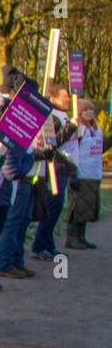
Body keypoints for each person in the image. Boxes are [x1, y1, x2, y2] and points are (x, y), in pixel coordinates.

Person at [0, 66, 47, 279]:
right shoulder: (10, 111)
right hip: (17, 176)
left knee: (23, 221)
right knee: (14, 221)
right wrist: (32, 155)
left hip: (29, 174)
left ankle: (16, 260)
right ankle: (5, 262)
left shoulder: (28, 114)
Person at [30, 84, 78, 261]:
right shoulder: (51, 116)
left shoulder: (64, 115)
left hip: (66, 168)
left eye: (68, 96)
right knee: (52, 208)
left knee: (56, 209)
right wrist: (71, 128)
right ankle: (38, 246)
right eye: (64, 96)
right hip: (56, 167)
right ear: (54, 98)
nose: (68, 99)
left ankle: (49, 245)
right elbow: (52, 142)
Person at [64, 98, 103, 249]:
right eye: (85, 110)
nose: (89, 112)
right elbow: (71, 150)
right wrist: (73, 174)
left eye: (91, 109)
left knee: (87, 207)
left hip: (93, 174)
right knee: (77, 207)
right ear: (79, 112)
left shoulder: (95, 128)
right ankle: (71, 237)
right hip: (81, 173)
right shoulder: (78, 128)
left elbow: (99, 148)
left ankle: (81, 237)